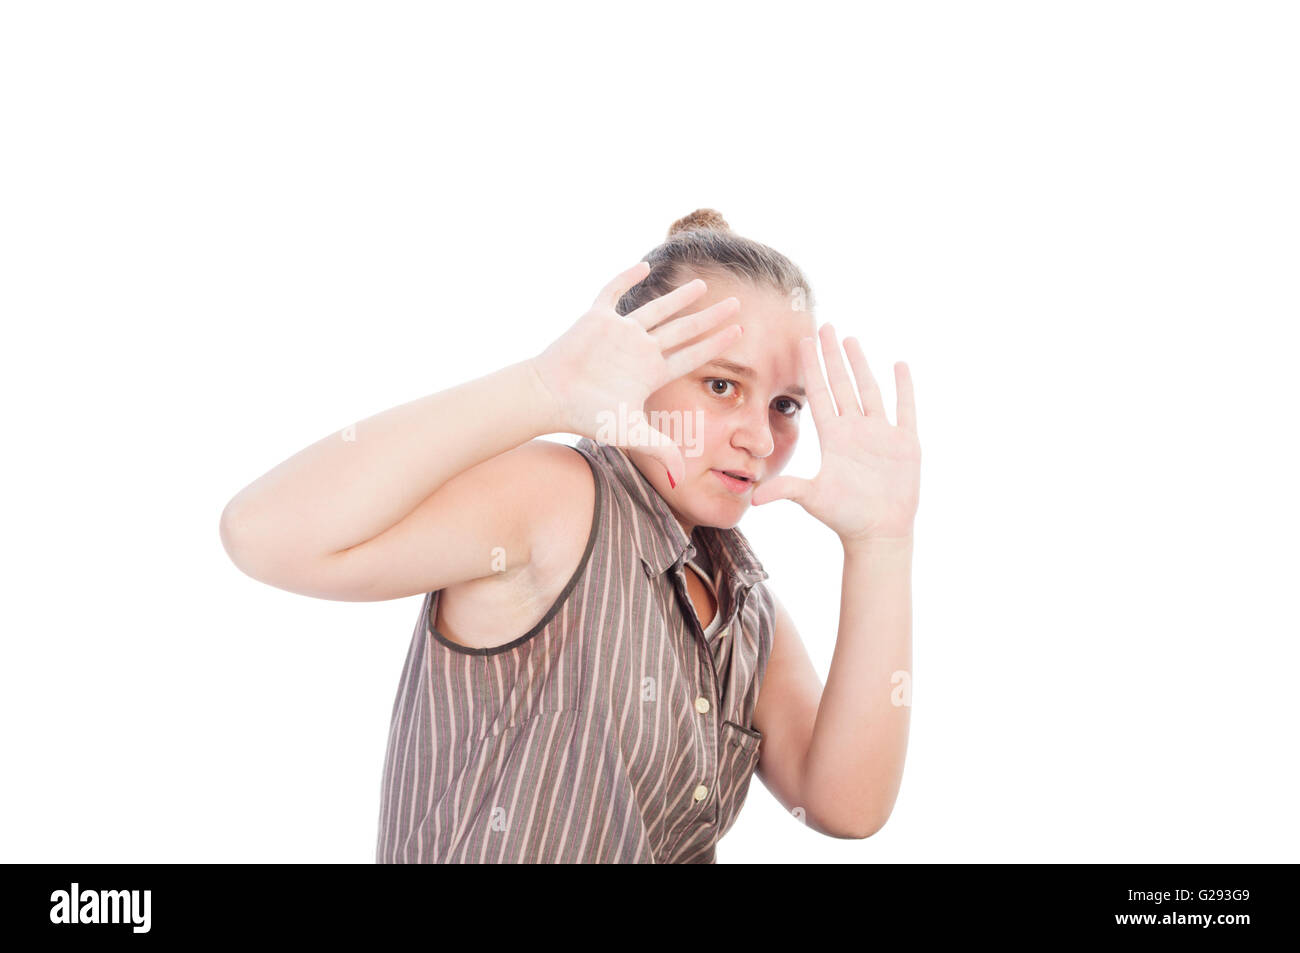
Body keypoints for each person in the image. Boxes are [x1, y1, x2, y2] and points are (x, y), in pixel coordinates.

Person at [218, 208, 921, 863]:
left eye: (785, 405)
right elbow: (263, 532)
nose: (760, 436)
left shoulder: (745, 605)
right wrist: (543, 389)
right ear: (640, 361)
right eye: (721, 386)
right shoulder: (560, 498)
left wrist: (881, 546)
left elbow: (845, 804)